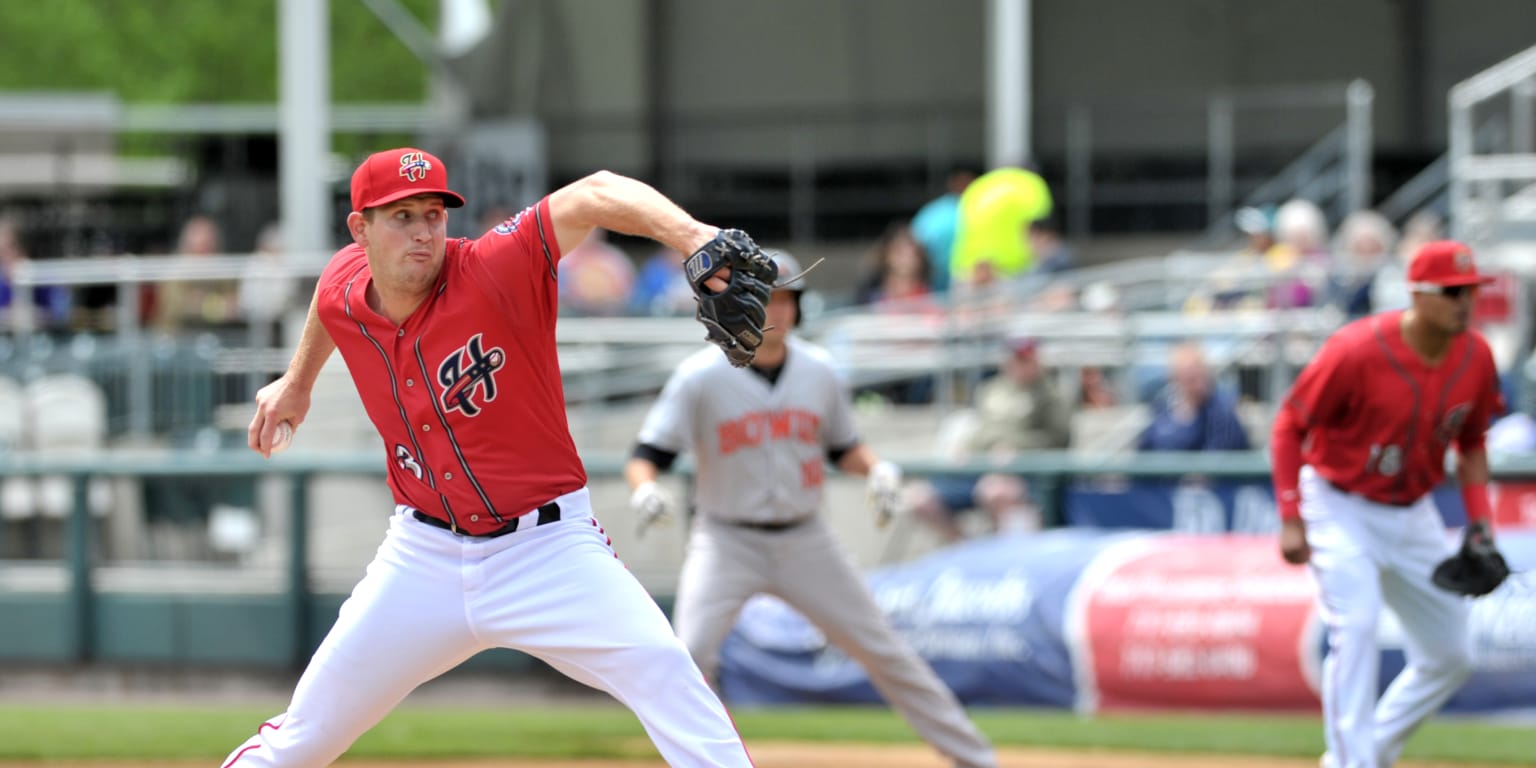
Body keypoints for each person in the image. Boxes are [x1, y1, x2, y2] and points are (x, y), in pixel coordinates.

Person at [224, 148, 755, 767]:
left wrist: (693, 235)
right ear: (360, 229)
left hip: (548, 550)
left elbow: (596, 190)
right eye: (402, 217)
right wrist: (298, 381)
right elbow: (331, 292)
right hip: (422, 557)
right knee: (303, 737)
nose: (424, 232)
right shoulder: (347, 283)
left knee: (668, 675)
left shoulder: (495, 267)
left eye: (434, 213)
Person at [624, 250, 997, 768]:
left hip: (806, 539)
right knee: (686, 659)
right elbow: (648, 455)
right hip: (726, 539)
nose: (775, 310)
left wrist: (878, 469)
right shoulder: (700, 376)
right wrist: (644, 489)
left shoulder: (819, 370)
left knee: (887, 653)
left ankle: (980, 761)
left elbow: (844, 446)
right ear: (737, 305)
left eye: (784, 299)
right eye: (763, 298)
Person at [1270, 240, 1505, 768]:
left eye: (1471, 291)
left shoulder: (1476, 356)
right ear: (1417, 294)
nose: (1464, 302)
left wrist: (1481, 524)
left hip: (1411, 510)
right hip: (1339, 503)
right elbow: (1289, 425)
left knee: (1451, 653)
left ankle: (1362, 753)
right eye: (1452, 292)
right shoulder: (1355, 350)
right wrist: (1290, 516)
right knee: (1354, 629)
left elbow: (1471, 444)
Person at [906, 336, 1070, 542]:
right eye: (1015, 358)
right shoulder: (991, 390)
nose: (1019, 364)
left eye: (1025, 359)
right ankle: (964, 551)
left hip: (1026, 474)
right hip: (978, 467)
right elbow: (981, 429)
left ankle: (1007, 557)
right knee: (920, 497)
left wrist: (1018, 450)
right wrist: (965, 448)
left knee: (995, 491)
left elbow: (1059, 441)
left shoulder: (1052, 395)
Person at [1136, 342, 1250, 452]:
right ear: (1174, 378)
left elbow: (1218, 460)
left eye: (1198, 374)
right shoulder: (1163, 404)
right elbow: (1146, 448)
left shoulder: (1223, 409)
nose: (1197, 384)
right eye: (1188, 378)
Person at [910, 166, 978, 293]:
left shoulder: (980, 210)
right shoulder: (934, 212)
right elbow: (915, 243)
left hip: (968, 281)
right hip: (935, 281)